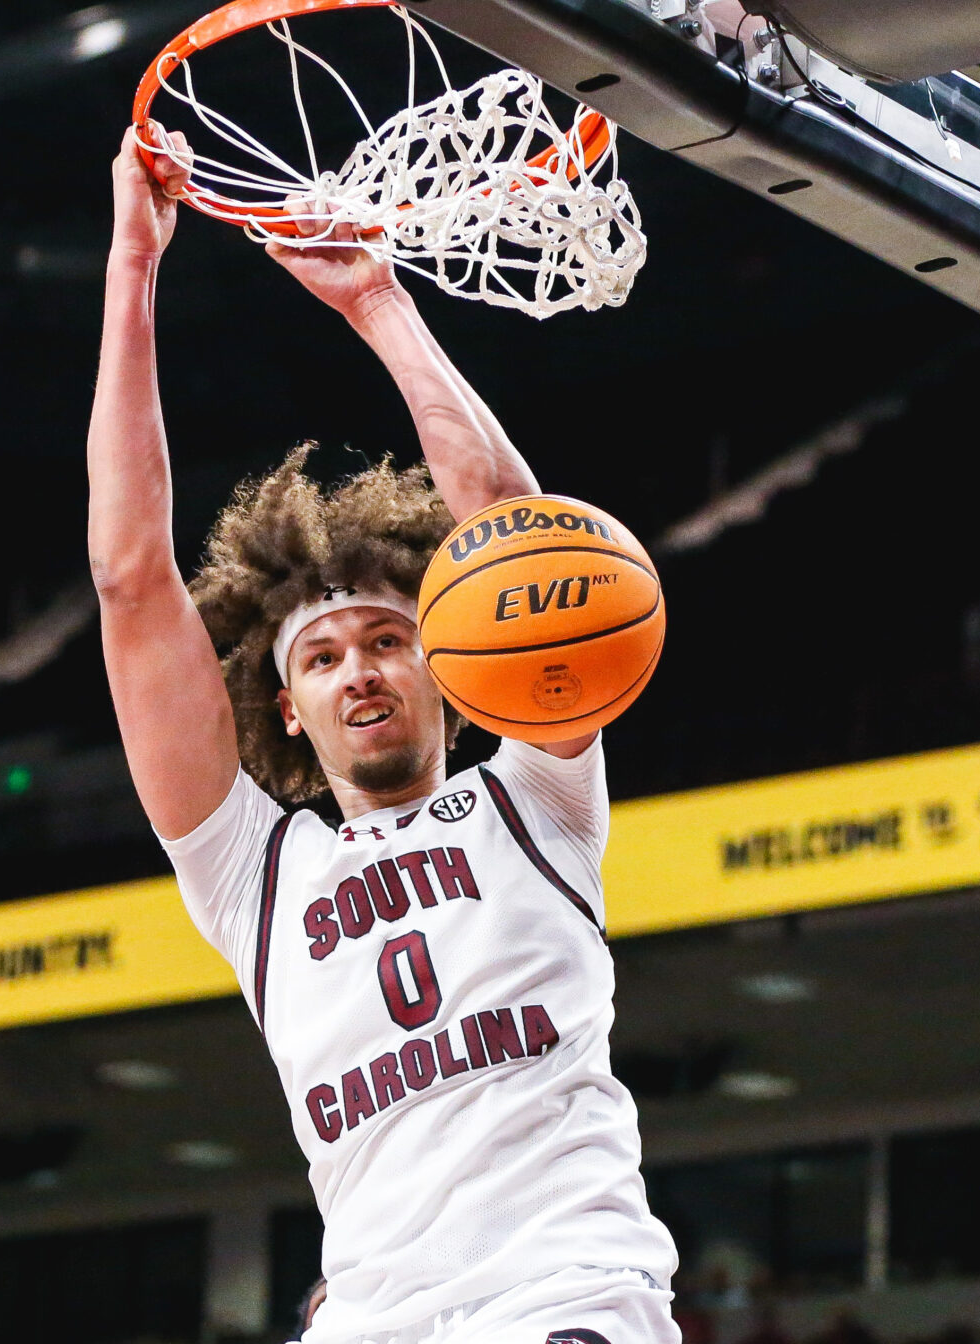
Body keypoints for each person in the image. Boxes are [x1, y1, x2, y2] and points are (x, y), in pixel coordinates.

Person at [88, 124, 680, 1344]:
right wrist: (133, 269)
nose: (356, 669)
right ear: (285, 704)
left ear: (453, 660)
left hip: (562, 1293)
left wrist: (377, 303)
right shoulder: (252, 872)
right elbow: (133, 582)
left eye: (386, 638)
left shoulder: (540, 796)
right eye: (321, 656)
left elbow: (515, 532)